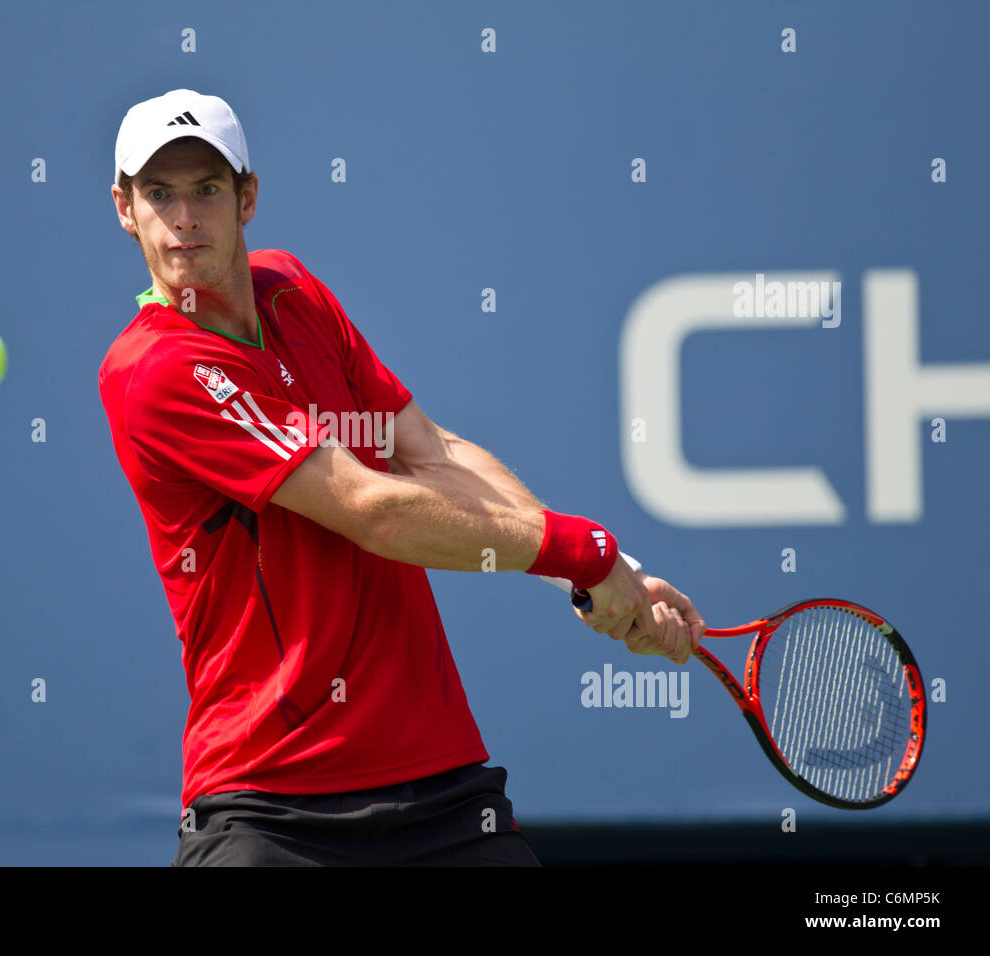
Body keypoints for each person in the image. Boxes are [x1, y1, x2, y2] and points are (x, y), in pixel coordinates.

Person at [98, 89, 707, 866]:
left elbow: (431, 452)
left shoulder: (292, 289)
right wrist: (578, 551)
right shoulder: (153, 372)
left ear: (248, 197)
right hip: (268, 809)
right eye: (159, 194)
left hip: (442, 791)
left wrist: (600, 575)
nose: (183, 219)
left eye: (207, 190)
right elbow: (371, 508)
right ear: (124, 208)